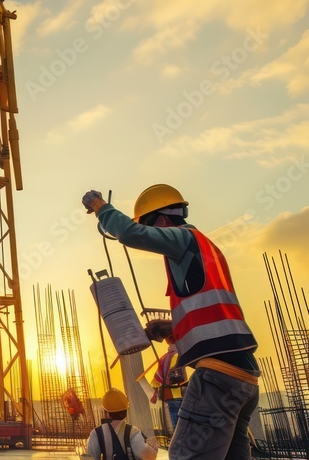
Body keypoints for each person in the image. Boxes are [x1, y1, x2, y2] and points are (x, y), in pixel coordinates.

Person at [82, 185, 260, 460]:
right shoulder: (206, 250)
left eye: (153, 227)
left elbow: (131, 233)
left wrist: (100, 207)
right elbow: (214, 316)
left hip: (218, 377)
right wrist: (173, 330)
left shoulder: (183, 238)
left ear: (162, 221)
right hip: (244, 378)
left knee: (186, 454)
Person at [86, 388, 159, 460]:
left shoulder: (96, 433)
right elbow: (150, 456)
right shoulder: (133, 432)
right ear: (125, 412)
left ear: (106, 413)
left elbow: (90, 457)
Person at [150, 333, 187, 432]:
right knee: (187, 423)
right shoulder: (183, 355)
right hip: (186, 394)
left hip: (170, 395)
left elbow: (157, 379)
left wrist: (155, 394)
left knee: (177, 427)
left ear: (167, 341)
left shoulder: (164, 358)